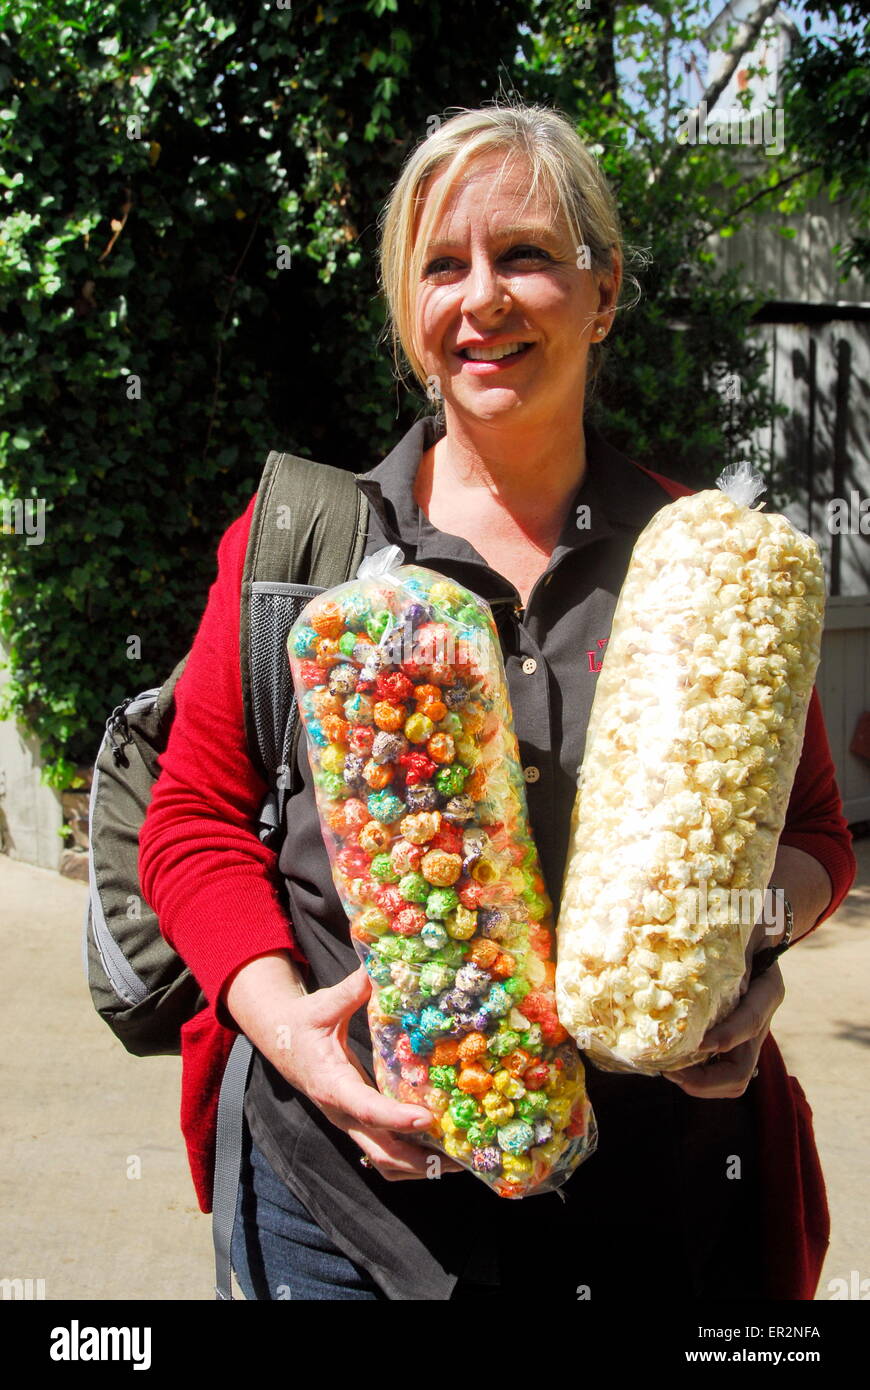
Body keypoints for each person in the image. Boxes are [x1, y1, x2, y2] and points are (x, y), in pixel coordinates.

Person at [139, 102, 856, 1301]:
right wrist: (292, 1035)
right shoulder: (309, 550)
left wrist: (743, 944)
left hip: (651, 1211)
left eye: (525, 253)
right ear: (405, 311)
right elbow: (192, 825)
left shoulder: (705, 565)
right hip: (348, 1215)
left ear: (603, 289)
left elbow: (814, 842)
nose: (483, 299)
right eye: (441, 265)